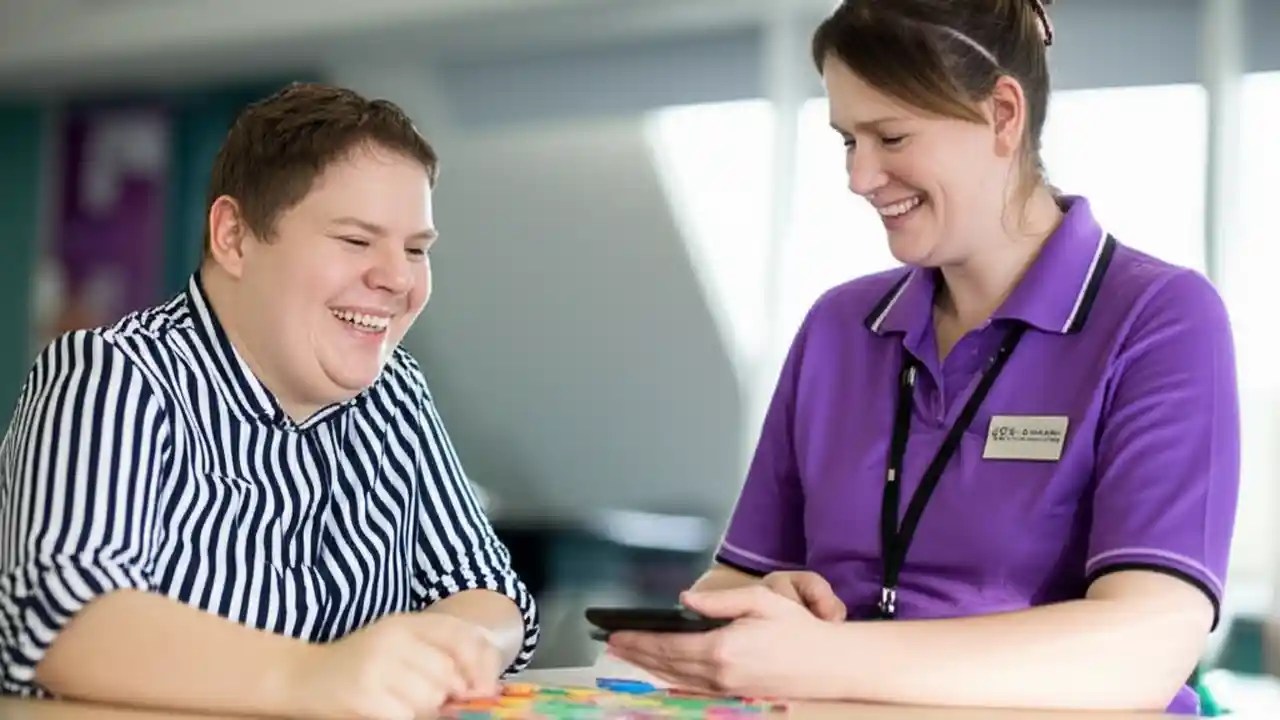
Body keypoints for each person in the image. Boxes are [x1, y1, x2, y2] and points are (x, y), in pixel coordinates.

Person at [606, 0, 1239, 715]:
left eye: (892, 136)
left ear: (1003, 115)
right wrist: (762, 605)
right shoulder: (839, 327)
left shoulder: (1159, 318)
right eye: (848, 140)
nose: (859, 176)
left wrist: (818, 658)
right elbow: (730, 584)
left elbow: (1143, 649)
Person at [0, 83, 538, 719]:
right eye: (356, 241)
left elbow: (488, 589)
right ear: (233, 237)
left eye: (417, 249)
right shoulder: (112, 374)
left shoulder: (397, 392)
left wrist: (454, 647)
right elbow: (58, 619)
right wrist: (316, 675)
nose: (399, 278)